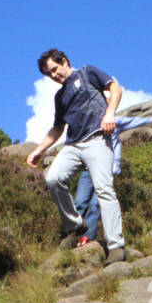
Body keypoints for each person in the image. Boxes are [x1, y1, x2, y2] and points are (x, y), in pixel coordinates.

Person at [26, 50, 126, 265]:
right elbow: (58, 128)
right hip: (73, 145)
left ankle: (116, 247)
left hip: (97, 139)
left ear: (64, 61)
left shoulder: (87, 72)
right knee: (53, 178)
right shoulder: (60, 97)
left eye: (54, 69)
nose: (53, 75)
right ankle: (75, 226)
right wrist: (38, 150)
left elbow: (115, 88)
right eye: (48, 74)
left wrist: (109, 114)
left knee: (104, 190)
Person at [72, 109, 152, 244]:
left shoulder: (115, 121)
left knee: (96, 204)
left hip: (107, 169)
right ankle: (73, 235)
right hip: (88, 169)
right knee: (79, 203)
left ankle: (87, 237)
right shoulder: (87, 122)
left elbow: (132, 121)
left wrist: (150, 119)